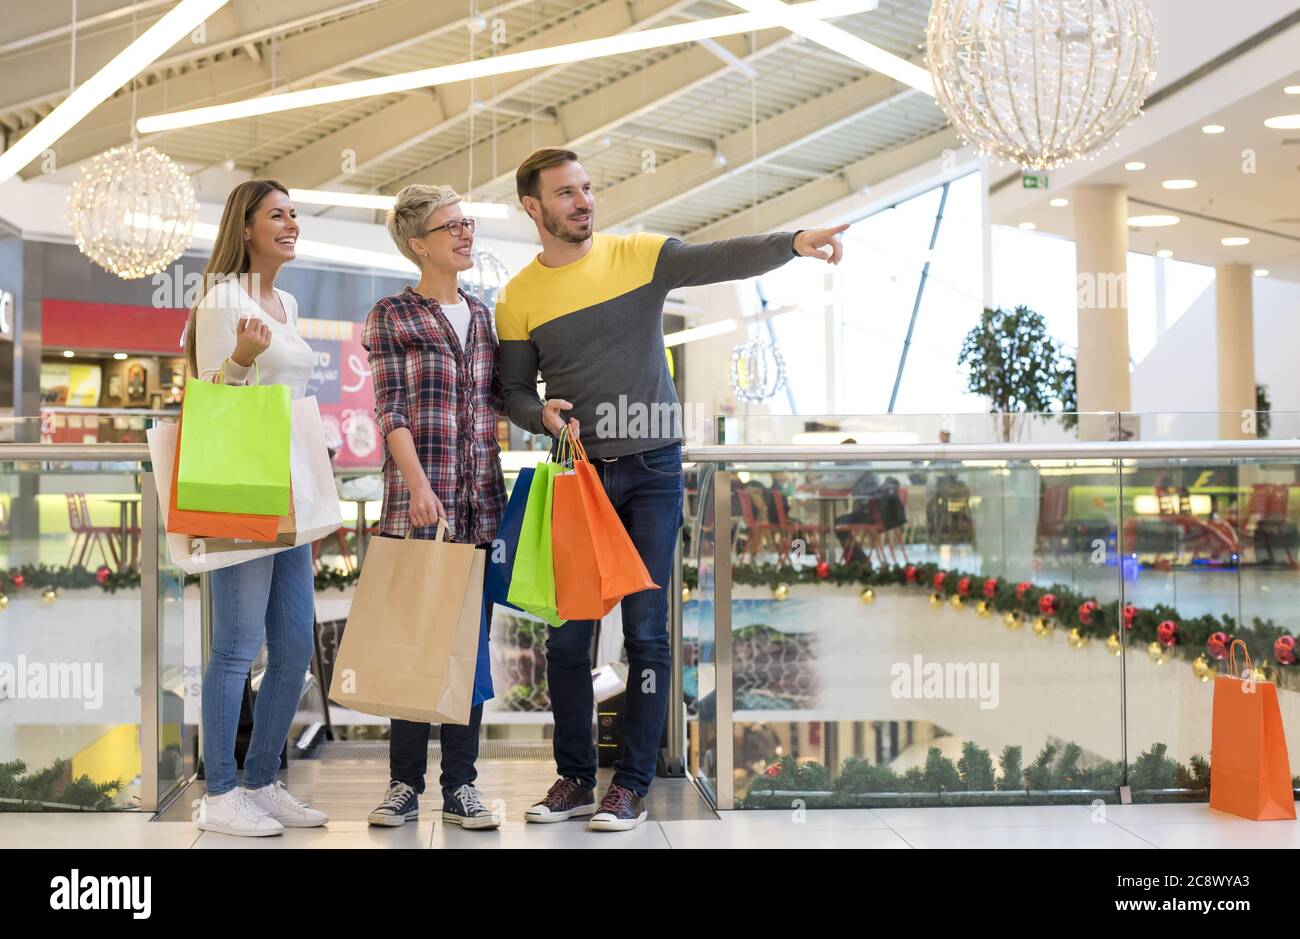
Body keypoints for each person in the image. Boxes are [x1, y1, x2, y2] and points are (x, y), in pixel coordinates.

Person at [496, 147, 847, 831]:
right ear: (533, 208)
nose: (584, 202)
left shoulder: (639, 256)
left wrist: (795, 244)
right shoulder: (517, 298)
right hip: (580, 479)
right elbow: (511, 390)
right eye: (566, 193)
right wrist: (538, 414)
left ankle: (628, 786)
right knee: (568, 640)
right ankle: (572, 776)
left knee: (647, 633)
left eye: (588, 189)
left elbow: (722, 257)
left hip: (654, 469)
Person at [361, 184, 506, 831]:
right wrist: (418, 483)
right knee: (414, 648)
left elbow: (494, 407)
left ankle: (461, 786)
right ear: (419, 242)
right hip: (420, 509)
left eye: (467, 223)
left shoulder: (482, 315)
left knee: (463, 651)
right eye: (452, 226)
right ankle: (402, 784)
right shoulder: (394, 314)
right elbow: (390, 408)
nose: (465, 234)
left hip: (479, 511)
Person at [186, 180, 327, 836]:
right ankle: (220, 791)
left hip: (290, 486)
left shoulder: (288, 301)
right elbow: (215, 401)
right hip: (242, 484)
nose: (291, 222)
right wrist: (242, 357)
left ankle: (262, 778)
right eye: (278, 214)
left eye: (294, 214)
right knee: (239, 641)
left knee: (296, 639)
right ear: (245, 227)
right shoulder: (222, 300)